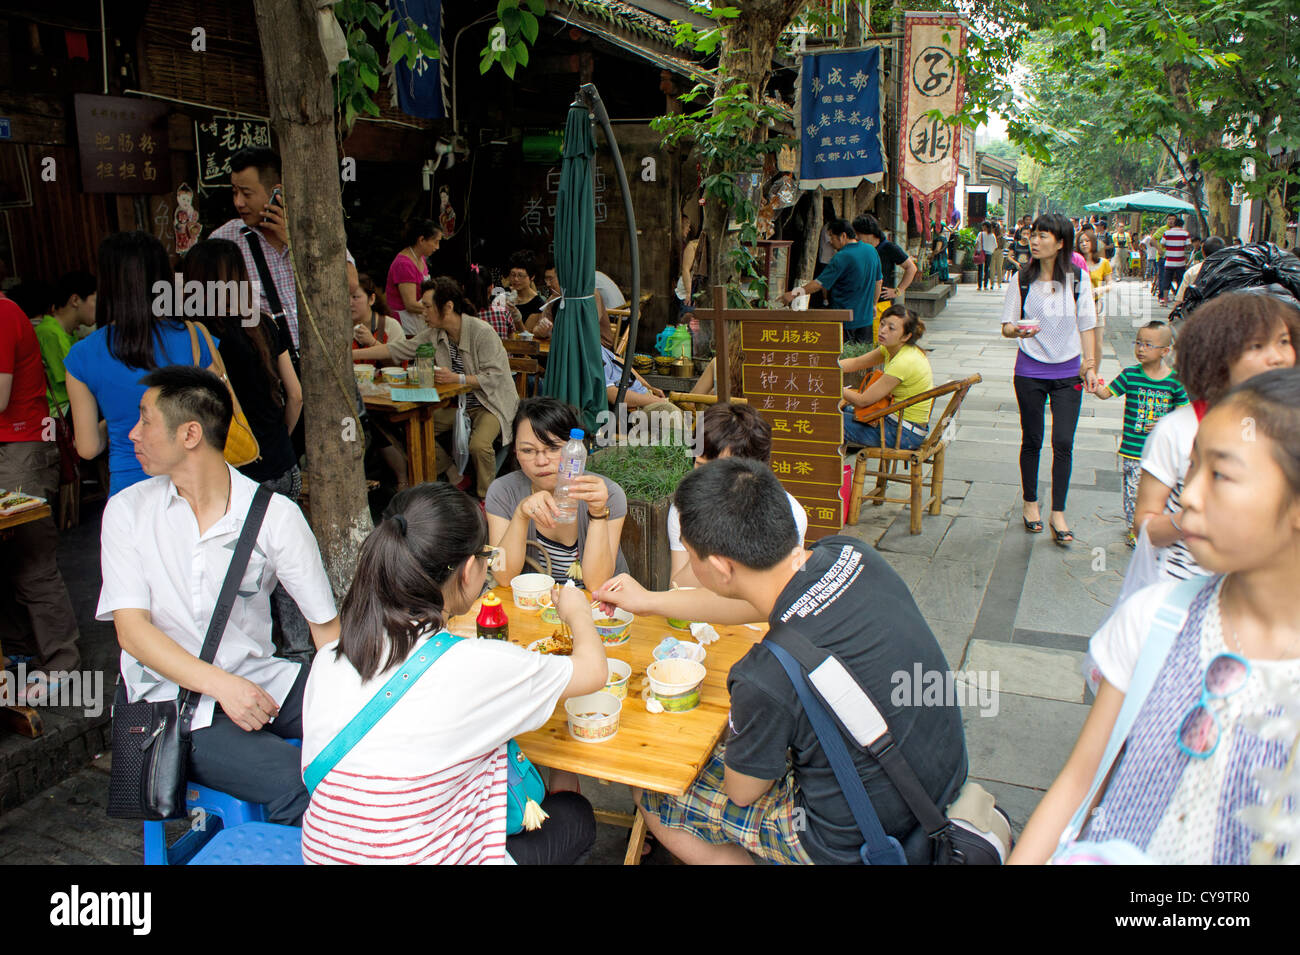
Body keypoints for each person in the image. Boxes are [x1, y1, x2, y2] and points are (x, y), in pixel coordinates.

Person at [592, 459, 969, 865]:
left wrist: (742, 734)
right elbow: (755, 606)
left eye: (690, 549)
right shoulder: (849, 554)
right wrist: (649, 601)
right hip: (936, 779)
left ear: (719, 566)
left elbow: (743, 791)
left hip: (850, 838)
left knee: (655, 787)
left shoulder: (764, 674)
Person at [1011, 368, 1300, 865]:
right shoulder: (1153, 620)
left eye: (1222, 474)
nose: (1186, 495)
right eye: (1191, 470)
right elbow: (1081, 779)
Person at [300, 483, 602, 864]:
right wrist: (578, 613)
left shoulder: (328, 659)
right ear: (468, 570)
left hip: (325, 855)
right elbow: (592, 671)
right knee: (574, 814)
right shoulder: (474, 664)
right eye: (485, 557)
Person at [99, 366, 339, 825]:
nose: (133, 433)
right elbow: (132, 633)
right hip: (171, 708)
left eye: (146, 419)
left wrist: (350, 704)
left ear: (190, 434)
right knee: (299, 784)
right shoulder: (127, 512)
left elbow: (326, 630)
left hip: (261, 680)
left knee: (377, 727)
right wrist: (222, 686)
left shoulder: (274, 515)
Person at [1134, 294, 1297, 581]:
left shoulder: (1289, 425)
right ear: (1218, 356)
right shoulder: (1177, 430)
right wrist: (1193, 518)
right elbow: (1144, 526)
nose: (1278, 357)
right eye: (1257, 345)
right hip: (1184, 592)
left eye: (1283, 341)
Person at [64, 232, 217, 496]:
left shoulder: (82, 356)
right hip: (195, 486)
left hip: (129, 492)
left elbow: (88, 448)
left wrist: (115, 422)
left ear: (107, 282)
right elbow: (217, 418)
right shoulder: (196, 339)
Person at [354, 277, 518, 499]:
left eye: (428, 307)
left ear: (448, 306)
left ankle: (486, 499)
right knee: (416, 429)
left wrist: (456, 378)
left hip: (490, 403)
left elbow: (495, 377)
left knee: (479, 446)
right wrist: (352, 355)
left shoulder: (481, 332)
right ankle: (453, 475)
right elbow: (397, 349)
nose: (423, 313)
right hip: (459, 406)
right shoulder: (435, 334)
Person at [0, 289, 82, 698]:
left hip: (22, 446)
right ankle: (19, 655)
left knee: (30, 557)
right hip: (12, 446)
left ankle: (62, 662)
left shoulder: (2, 313)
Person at [1001, 214, 1100, 546]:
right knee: (1032, 438)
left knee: (1063, 442)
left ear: (1060, 243)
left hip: (1068, 372)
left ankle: (1058, 511)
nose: (1034, 240)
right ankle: (1031, 503)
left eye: (1043, 235)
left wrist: (1090, 365)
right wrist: (1018, 329)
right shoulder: (1021, 279)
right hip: (1029, 370)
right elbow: (1006, 326)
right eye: (1033, 234)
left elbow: (1088, 324)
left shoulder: (1078, 280)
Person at [487, 397, 627, 589]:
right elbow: (503, 576)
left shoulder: (606, 495)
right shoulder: (502, 492)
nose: (541, 461)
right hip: (532, 609)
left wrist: (597, 514)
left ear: (574, 447)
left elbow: (597, 585)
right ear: (516, 453)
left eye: (553, 448)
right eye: (528, 450)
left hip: (598, 611)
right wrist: (520, 515)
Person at [668, 403, 807, 587]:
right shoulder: (684, 509)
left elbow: (780, 593)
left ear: (754, 470)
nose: (708, 479)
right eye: (701, 466)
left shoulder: (788, 515)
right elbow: (678, 588)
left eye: (722, 470)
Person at [1092, 321, 1188, 546]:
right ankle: (1135, 530)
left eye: (1147, 345)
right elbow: (1106, 393)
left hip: (1162, 452)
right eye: (1138, 343)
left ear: (1165, 351)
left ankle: (1157, 525)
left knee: (1162, 492)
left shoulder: (1174, 381)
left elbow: (1184, 415)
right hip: (1133, 449)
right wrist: (1093, 383)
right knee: (1133, 493)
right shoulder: (1130, 375)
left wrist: (1164, 422)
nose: (1140, 349)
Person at [209, 148, 298, 354]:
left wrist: (295, 246)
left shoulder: (307, 231)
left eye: (246, 194)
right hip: (263, 364)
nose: (238, 202)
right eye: (234, 192)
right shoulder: (224, 240)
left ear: (276, 191)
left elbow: (350, 283)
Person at [839, 305, 934, 450]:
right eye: (882, 324)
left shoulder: (904, 361)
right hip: (895, 421)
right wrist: (824, 368)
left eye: (891, 328)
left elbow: (863, 400)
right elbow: (856, 362)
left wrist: (831, 385)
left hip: (903, 433)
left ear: (906, 336)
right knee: (837, 412)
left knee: (828, 420)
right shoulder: (892, 348)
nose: (883, 330)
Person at [779, 219, 881, 345]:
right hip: (866, 320)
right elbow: (878, 281)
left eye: (832, 237)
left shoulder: (842, 256)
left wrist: (793, 293)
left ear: (843, 236)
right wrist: (874, 304)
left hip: (844, 321)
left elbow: (818, 284)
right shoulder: (871, 251)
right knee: (863, 359)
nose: (831, 242)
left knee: (843, 360)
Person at [35, 271, 96, 414]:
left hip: (71, 404)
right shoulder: (50, 332)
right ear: (75, 300)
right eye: (95, 300)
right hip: (58, 411)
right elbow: (72, 378)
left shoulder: (68, 332)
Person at [386, 219, 441, 335]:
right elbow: (410, 304)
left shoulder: (421, 258)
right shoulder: (404, 264)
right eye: (435, 242)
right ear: (421, 240)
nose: (437, 247)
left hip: (418, 322)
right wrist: (438, 310)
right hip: (405, 326)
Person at [852, 214, 917, 305]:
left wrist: (898, 290)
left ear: (869, 233)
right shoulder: (859, 248)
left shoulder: (889, 247)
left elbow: (911, 268)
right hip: (859, 301)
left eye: (858, 234)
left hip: (880, 303)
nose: (856, 237)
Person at [350, 271, 407, 356]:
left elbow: (400, 361)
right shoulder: (338, 329)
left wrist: (372, 342)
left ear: (371, 299)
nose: (349, 303)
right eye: (345, 297)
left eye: (355, 297)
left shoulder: (390, 326)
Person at [1078, 230, 1113, 361]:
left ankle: (1095, 374)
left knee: (1097, 344)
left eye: (1087, 241)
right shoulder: (1076, 262)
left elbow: (1110, 284)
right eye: (1081, 242)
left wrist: (1100, 289)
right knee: (1081, 342)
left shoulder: (1103, 263)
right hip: (1079, 306)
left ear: (1093, 243)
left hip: (1097, 304)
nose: (1084, 244)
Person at [1172, 236, 1225, 309]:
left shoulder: (1192, 271)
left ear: (1203, 252)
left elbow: (1180, 301)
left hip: (1197, 314)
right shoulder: (1232, 271)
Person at [675, 216, 708, 318]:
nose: (689, 229)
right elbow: (685, 269)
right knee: (687, 321)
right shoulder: (692, 246)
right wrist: (689, 292)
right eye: (687, 226)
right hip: (687, 288)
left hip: (695, 288)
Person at [1159, 217, 1191, 306]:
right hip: (1180, 262)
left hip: (1169, 261)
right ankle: (1179, 301)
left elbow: (1162, 244)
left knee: (1167, 281)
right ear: (1182, 225)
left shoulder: (1167, 233)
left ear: (1174, 224)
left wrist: (1169, 247)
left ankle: (1165, 301)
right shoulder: (1185, 234)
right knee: (1180, 281)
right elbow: (1188, 246)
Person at [975, 222, 997, 291]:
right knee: (987, 269)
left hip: (981, 252)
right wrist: (991, 250)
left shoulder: (980, 234)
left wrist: (976, 250)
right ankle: (985, 285)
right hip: (989, 253)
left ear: (985, 227)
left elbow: (977, 243)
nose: (983, 228)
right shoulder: (992, 235)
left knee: (980, 269)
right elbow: (995, 245)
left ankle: (979, 286)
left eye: (983, 226)